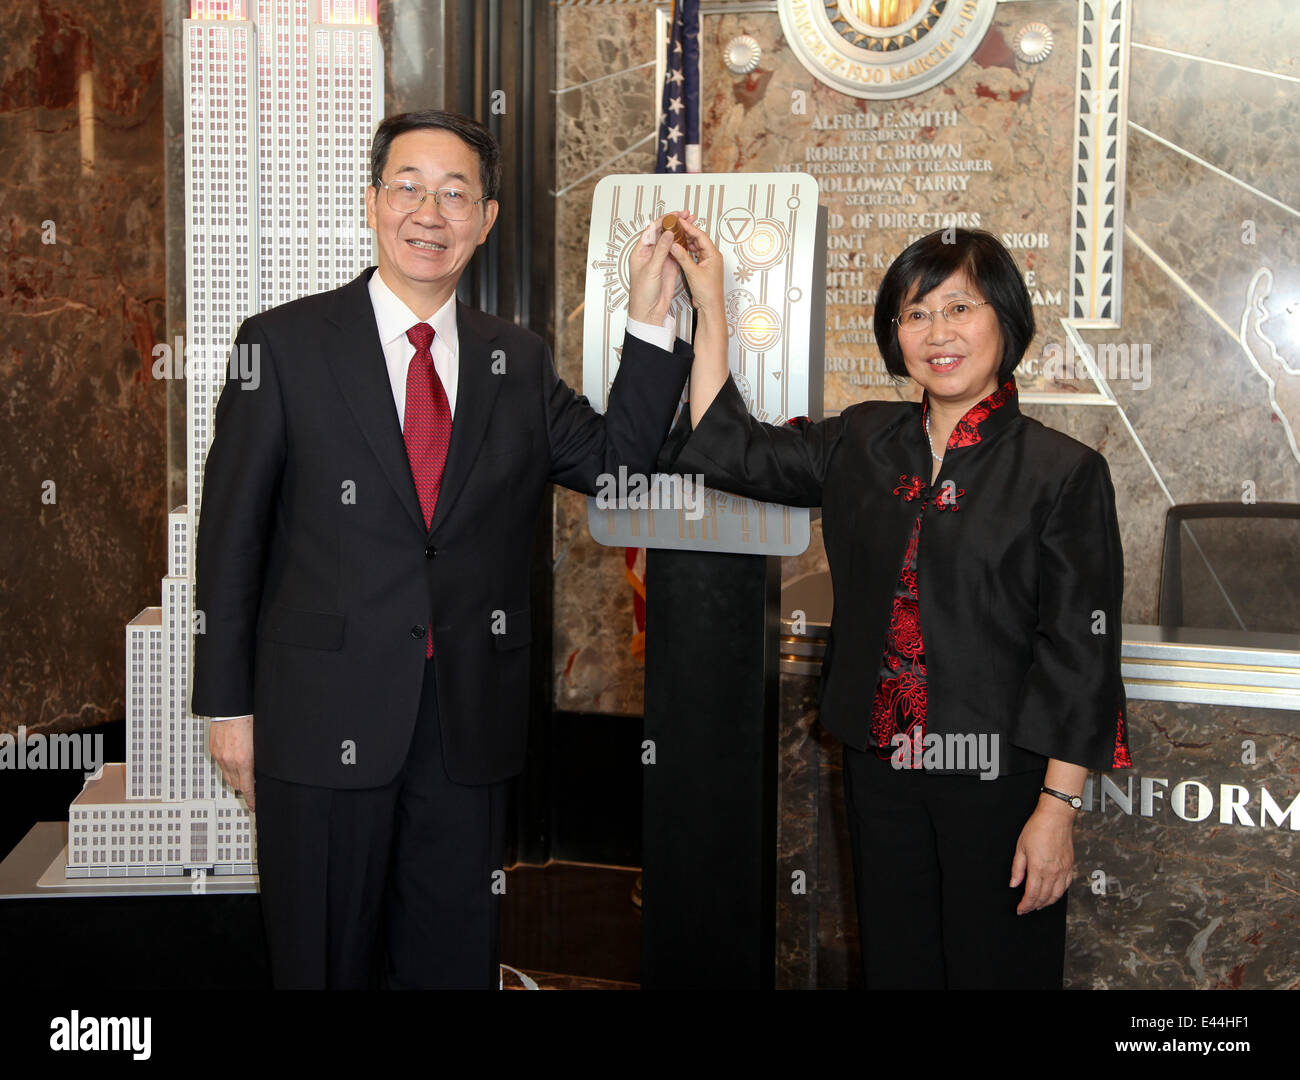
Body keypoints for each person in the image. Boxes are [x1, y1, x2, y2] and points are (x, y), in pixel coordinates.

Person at [190, 110, 692, 989]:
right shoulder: (281, 345)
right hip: (320, 718)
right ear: (373, 202)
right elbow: (231, 540)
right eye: (409, 188)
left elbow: (620, 468)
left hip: (467, 723)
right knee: (321, 959)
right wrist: (227, 709)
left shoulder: (518, 360)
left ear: (487, 218)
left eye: (457, 194)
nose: (431, 212)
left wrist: (649, 324)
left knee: (450, 959)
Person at [642, 221, 1132, 990]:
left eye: (958, 308)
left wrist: (1057, 810)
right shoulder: (864, 440)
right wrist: (711, 305)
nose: (937, 333)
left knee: (996, 971)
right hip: (882, 764)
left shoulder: (1062, 471)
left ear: (1004, 318)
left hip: (999, 778)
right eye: (914, 314)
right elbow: (728, 446)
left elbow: (1081, 655)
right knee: (897, 969)